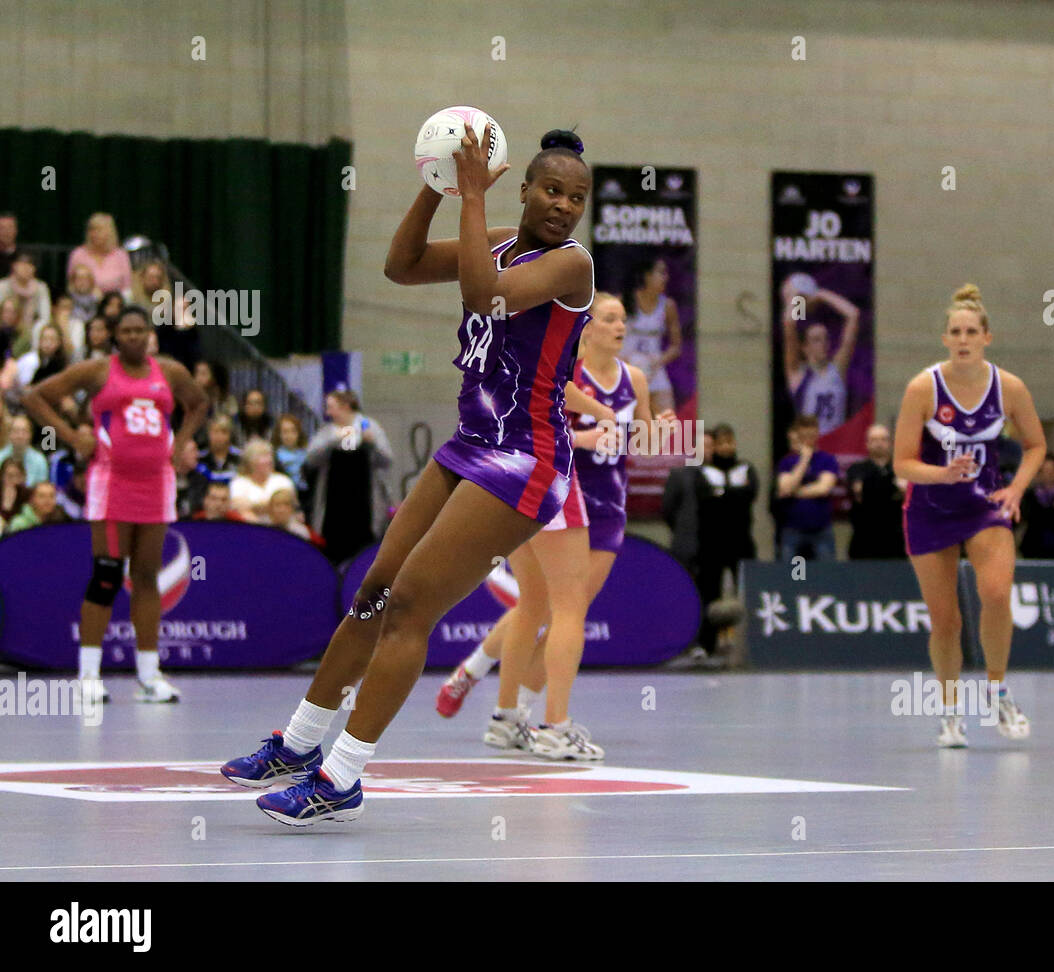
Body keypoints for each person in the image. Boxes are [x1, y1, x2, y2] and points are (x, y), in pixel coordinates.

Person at [221, 126, 598, 826]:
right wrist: (437, 187)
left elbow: (488, 298)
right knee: (371, 592)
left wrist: (473, 199)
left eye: (576, 197)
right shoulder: (500, 234)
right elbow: (402, 265)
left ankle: (343, 776)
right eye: (551, 190)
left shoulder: (573, 266)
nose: (563, 206)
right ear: (527, 189)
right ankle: (299, 744)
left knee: (409, 608)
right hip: (470, 444)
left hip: (525, 459)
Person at [436, 292, 659, 754]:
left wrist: (652, 431)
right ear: (586, 326)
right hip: (559, 487)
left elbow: (643, 439)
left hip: (597, 504)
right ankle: (546, 721)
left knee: (547, 607)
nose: (619, 327)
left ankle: (509, 714)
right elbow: (550, 418)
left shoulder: (631, 377)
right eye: (610, 318)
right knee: (562, 610)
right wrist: (590, 431)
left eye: (623, 320)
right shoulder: (556, 363)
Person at [23, 306, 209, 704]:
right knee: (106, 576)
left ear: (150, 334)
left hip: (157, 482)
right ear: (114, 335)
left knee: (146, 578)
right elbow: (35, 396)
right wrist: (73, 438)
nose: (133, 337)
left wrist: (181, 442)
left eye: (140, 330)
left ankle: (149, 674)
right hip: (112, 484)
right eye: (125, 331)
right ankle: (88, 675)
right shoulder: (97, 371)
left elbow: (199, 403)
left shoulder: (170, 372)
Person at [895, 284, 1047, 747]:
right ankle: (949, 712)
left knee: (997, 594)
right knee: (946, 622)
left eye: (971, 331)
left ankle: (999, 694)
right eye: (955, 332)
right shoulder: (923, 388)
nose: (963, 339)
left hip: (985, 506)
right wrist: (942, 474)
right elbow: (902, 463)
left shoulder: (1009, 387)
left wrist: (1017, 488)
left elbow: (1037, 445)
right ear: (945, 339)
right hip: (931, 509)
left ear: (987, 337)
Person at [305, 389, 393, 562]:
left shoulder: (369, 426)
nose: (328, 412)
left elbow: (387, 459)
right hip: (333, 505)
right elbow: (310, 459)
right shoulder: (327, 431)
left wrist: (372, 443)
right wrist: (333, 440)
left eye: (331, 407)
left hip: (364, 503)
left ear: (345, 406)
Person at [695, 422, 758, 658]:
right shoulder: (704, 473)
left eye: (729, 442)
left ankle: (749, 643)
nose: (725, 447)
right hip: (712, 543)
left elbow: (749, 496)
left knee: (746, 592)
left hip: (742, 542)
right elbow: (707, 502)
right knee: (709, 593)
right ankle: (705, 645)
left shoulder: (746, 469)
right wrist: (733, 495)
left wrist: (722, 494)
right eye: (720, 443)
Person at [781, 273, 860, 434]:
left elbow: (853, 315)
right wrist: (799, 298)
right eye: (816, 340)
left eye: (825, 339)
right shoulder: (798, 373)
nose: (823, 344)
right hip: (808, 446)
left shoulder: (837, 369)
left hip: (835, 446)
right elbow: (790, 324)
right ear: (805, 347)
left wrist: (820, 294)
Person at [619, 258, 682, 415]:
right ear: (646, 276)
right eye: (661, 273)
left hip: (654, 369)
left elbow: (676, 347)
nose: (665, 278)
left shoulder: (668, 306)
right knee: (632, 427)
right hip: (627, 369)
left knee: (667, 420)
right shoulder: (623, 300)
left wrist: (658, 360)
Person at [774, 415, 839, 562]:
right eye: (804, 435)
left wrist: (794, 491)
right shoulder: (787, 461)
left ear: (817, 433)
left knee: (825, 576)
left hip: (821, 530)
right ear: (798, 434)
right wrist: (804, 459)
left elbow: (824, 488)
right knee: (796, 577)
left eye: (812, 434)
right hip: (793, 530)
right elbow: (785, 487)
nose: (809, 438)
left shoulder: (827, 459)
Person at [846, 423, 907, 558]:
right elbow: (859, 493)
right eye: (874, 440)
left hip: (895, 539)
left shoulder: (901, 468)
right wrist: (893, 487)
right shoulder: (856, 468)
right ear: (867, 444)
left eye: (883, 439)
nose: (879, 444)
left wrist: (873, 487)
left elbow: (907, 492)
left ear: (891, 443)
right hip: (864, 538)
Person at [662, 428, 712, 570]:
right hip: (686, 543)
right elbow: (668, 509)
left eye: (712, 447)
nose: (709, 451)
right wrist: (681, 527)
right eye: (706, 446)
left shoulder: (723, 477)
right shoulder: (681, 475)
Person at [1018, 453, 1054, 559]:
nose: (1048, 475)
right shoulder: (1029, 494)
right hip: (1032, 547)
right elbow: (1032, 518)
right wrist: (1053, 509)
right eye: (1044, 471)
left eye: (1052, 471)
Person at [230, 439, 297, 524]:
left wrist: (254, 506)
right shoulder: (239, 483)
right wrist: (271, 505)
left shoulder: (283, 481)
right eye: (263, 456)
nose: (269, 460)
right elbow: (239, 507)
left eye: (270, 456)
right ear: (251, 462)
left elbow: (286, 505)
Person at [66, 213, 133, 297]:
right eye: (92, 230)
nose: (94, 234)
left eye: (99, 230)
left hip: (115, 304)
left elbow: (127, 287)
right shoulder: (78, 254)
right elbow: (71, 286)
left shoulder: (120, 255)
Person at [0, 251, 52, 350]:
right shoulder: (2, 286)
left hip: (30, 331)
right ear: (14, 266)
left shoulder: (41, 288)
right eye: (22, 264)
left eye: (29, 265)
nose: (26, 268)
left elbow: (45, 316)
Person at [0, 414, 50, 487]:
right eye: (16, 431)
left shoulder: (39, 460)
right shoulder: (1, 457)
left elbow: (41, 488)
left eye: (24, 431)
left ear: (30, 435)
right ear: (9, 433)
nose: (20, 436)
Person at [272, 413, 310, 504]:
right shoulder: (274, 456)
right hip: (284, 496)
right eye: (285, 432)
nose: (289, 436)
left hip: (305, 496)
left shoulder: (307, 454)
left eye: (293, 431)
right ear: (279, 434)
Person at [4, 481, 69, 533]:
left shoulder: (60, 522)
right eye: (42, 496)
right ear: (32, 499)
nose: (47, 500)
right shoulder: (19, 524)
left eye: (51, 496)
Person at [198, 415, 242, 485]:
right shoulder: (199, 458)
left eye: (224, 432)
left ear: (230, 435)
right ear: (208, 434)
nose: (219, 437)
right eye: (215, 432)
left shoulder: (240, 458)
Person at [173, 440, 208, 519]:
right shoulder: (168, 478)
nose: (197, 455)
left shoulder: (200, 479)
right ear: (180, 453)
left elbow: (199, 506)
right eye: (193, 451)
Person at [0, 457, 28, 528]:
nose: (14, 480)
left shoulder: (28, 495)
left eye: (18, 476)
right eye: (10, 476)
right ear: (2, 477)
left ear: (23, 477)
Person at [0, 213, 17, 279]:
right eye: (1, 228)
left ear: (16, 230)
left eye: (10, 227)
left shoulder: (24, 257)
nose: (6, 232)